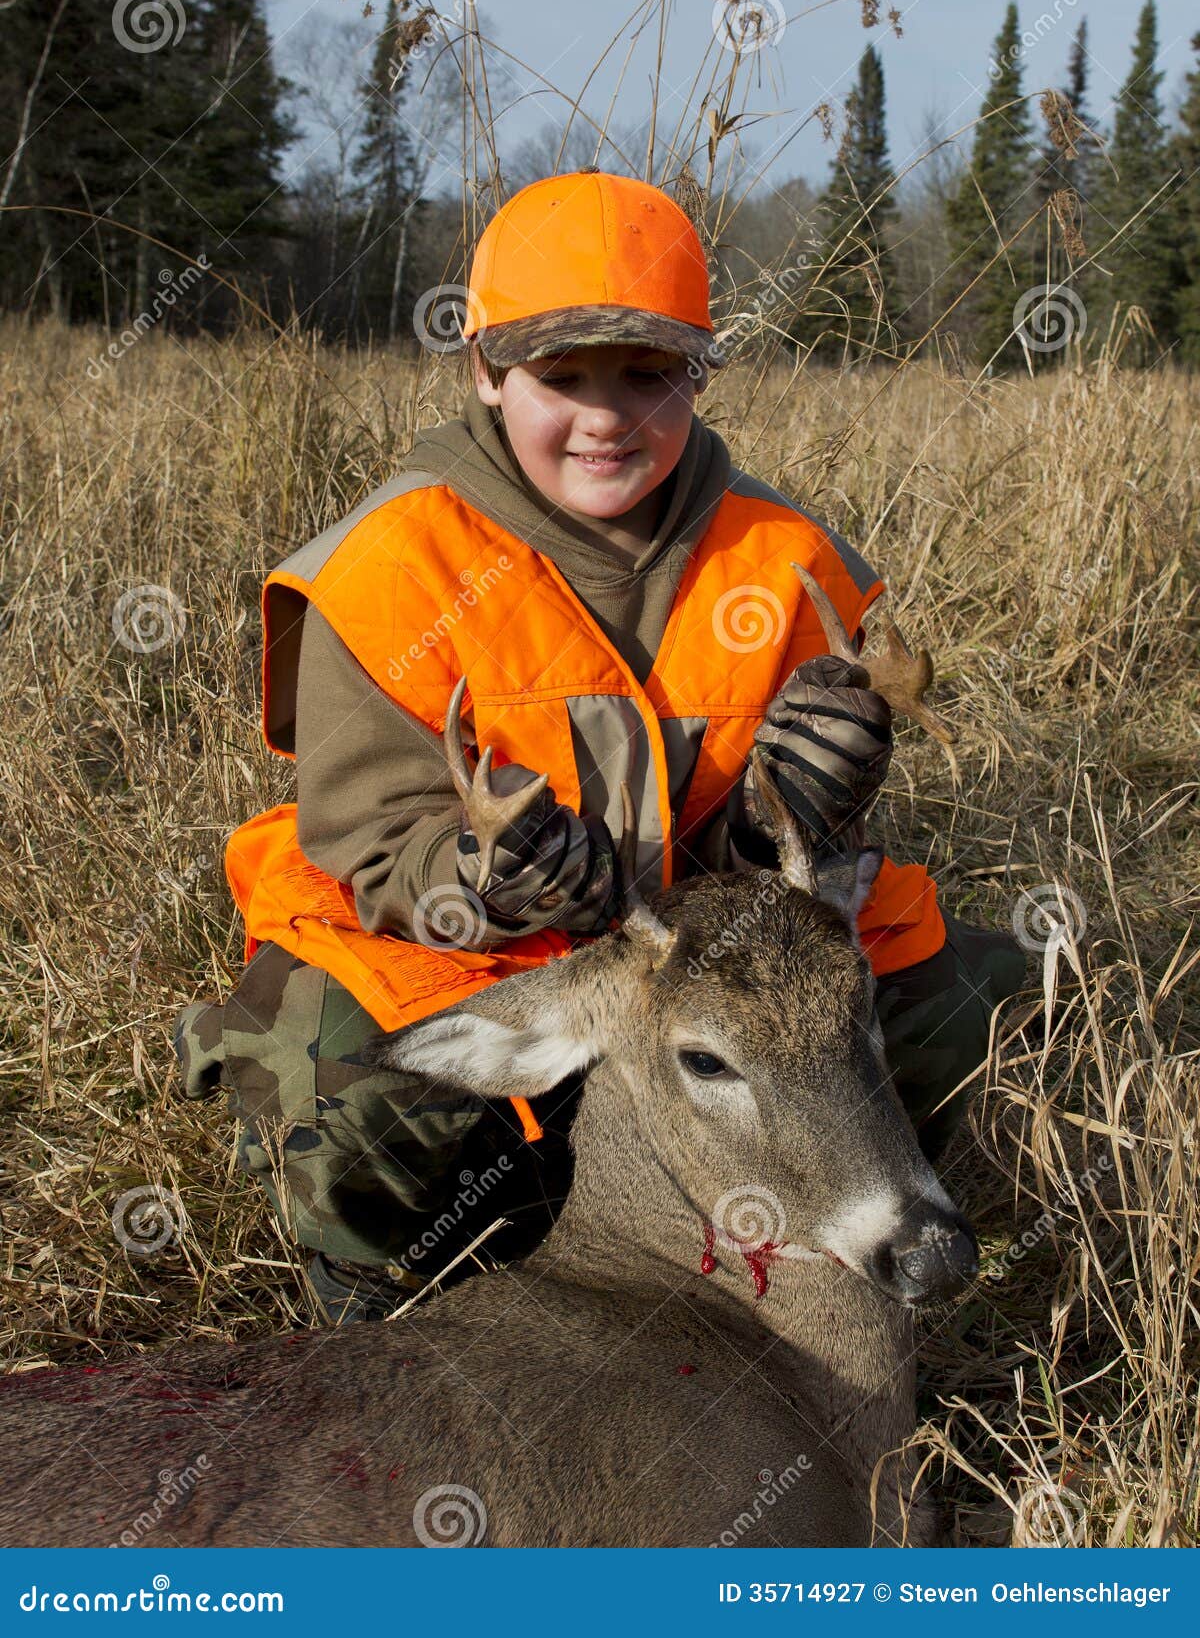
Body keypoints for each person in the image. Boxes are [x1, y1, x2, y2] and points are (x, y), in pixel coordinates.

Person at [175, 171, 1025, 1323]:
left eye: (649, 375)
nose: (606, 417)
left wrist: (799, 812)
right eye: (559, 377)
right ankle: (390, 1287)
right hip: (491, 957)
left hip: (716, 960)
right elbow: (373, 840)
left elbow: (790, 860)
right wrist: (478, 880)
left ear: (700, 372)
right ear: (483, 370)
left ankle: (781, 1217)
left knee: (975, 1015)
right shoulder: (388, 572)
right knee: (360, 1114)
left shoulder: (781, 558)